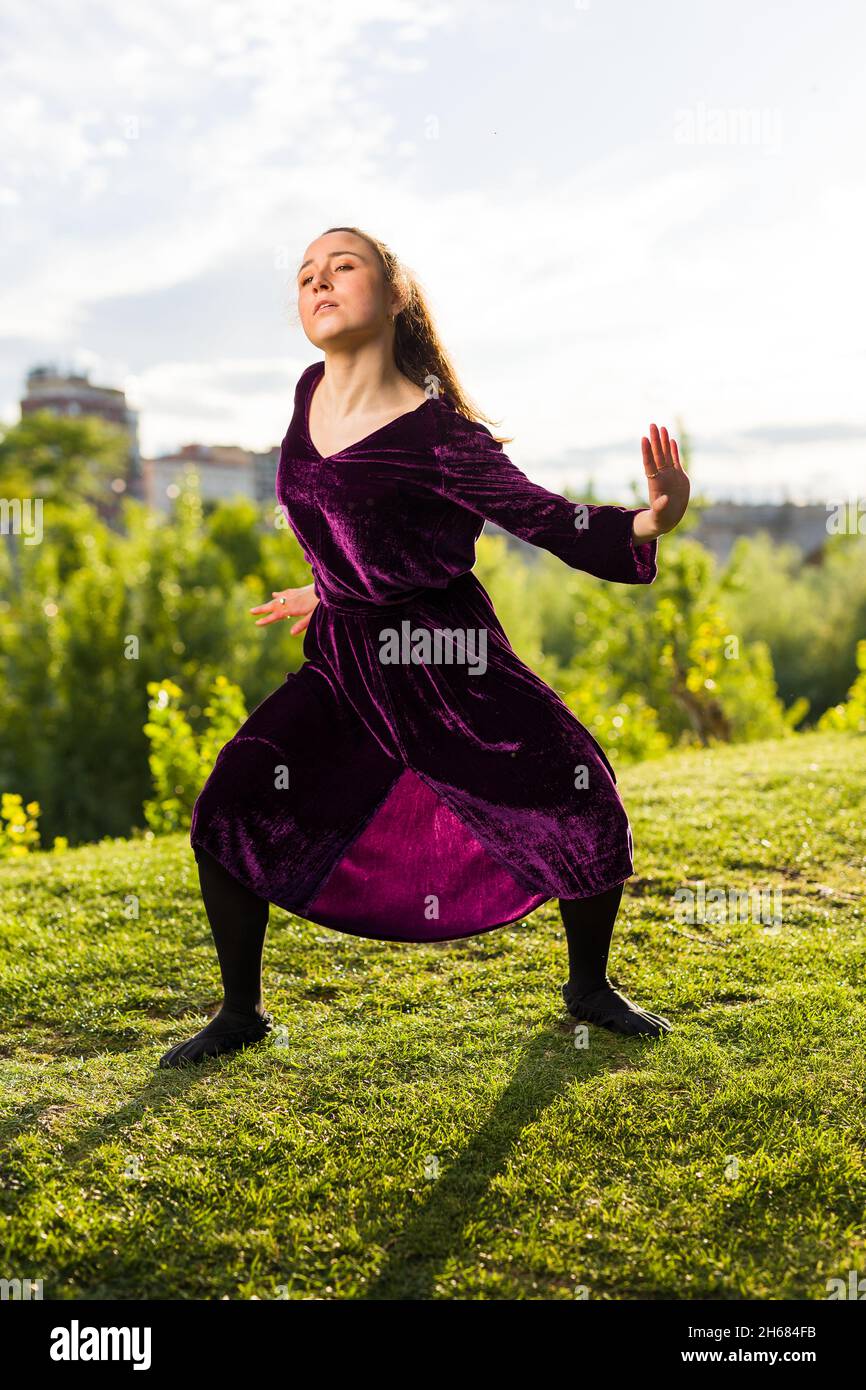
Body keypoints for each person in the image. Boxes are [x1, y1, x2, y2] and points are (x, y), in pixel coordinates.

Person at [158, 224, 690, 1069]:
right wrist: (327, 587)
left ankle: (589, 988)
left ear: (395, 294)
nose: (319, 281)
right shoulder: (308, 392)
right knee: (231, 803)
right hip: (346, 662)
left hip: (443, 658)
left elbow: (543, 517)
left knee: (580, 795)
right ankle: (241, 1013)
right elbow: (345, 520)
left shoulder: (439, 433)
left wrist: (651, 519)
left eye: (343, 266)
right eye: (306, 274)